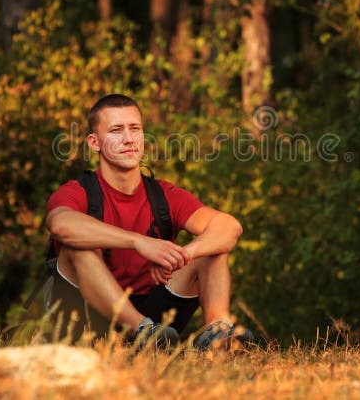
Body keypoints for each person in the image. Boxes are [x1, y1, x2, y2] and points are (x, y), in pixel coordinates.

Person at [45, 94, 253, 350]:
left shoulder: (164, 195)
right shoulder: (77, 192)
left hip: (157, 321)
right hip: (89, 320)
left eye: (135, 129)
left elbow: (229, 227)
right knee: (77, 246)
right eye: (116, 130)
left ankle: (218, 337)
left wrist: (179, 255)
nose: (128, 139)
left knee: (213, 248)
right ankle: (140, 331)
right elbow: (60, 225)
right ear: (94, 142)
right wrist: (139, 242)